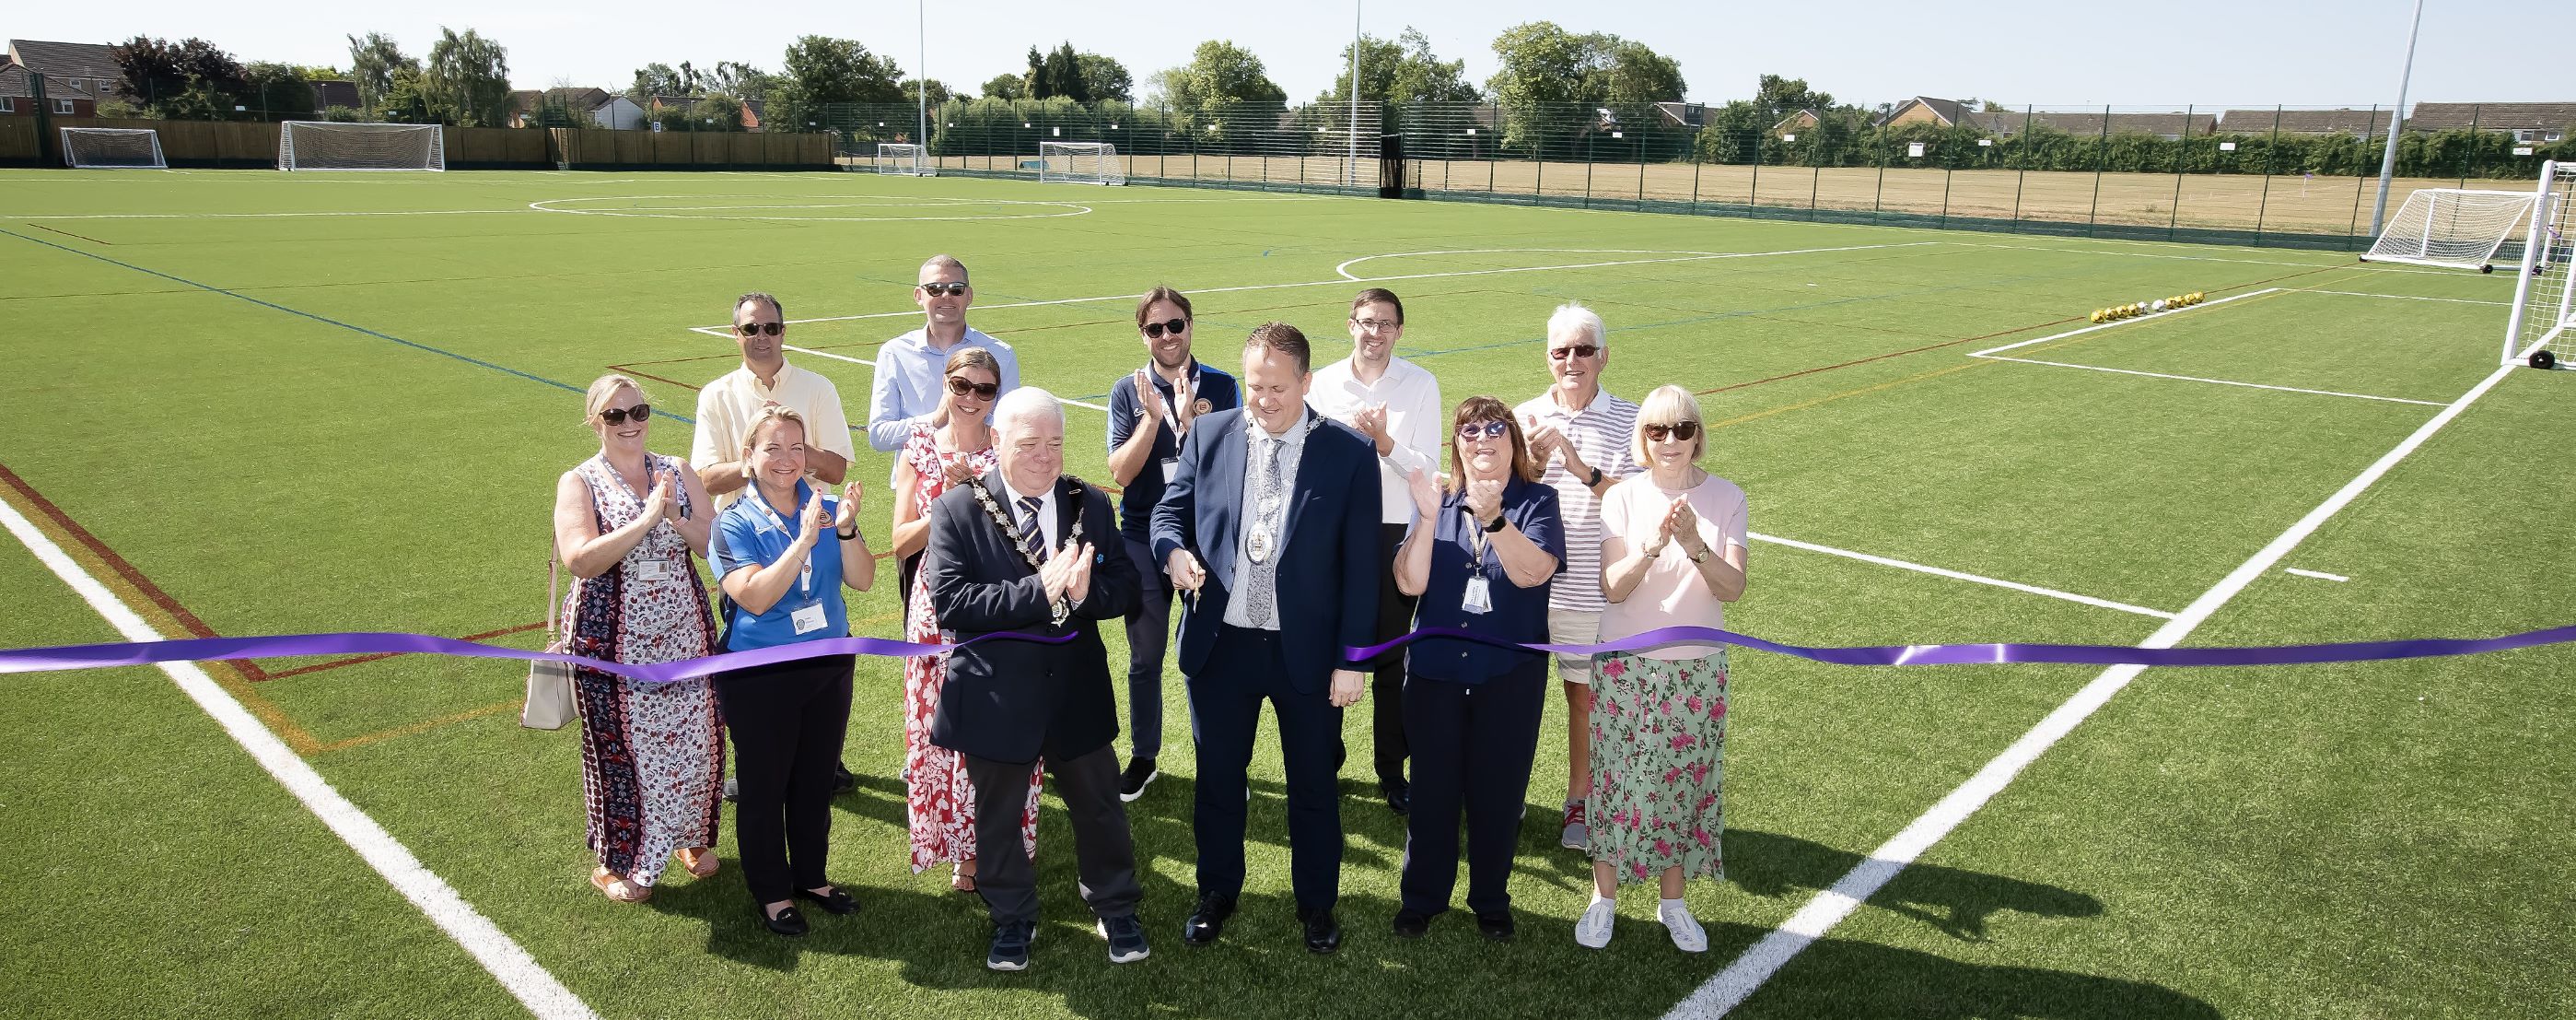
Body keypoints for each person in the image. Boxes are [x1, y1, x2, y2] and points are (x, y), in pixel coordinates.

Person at [1151, 322, 1381, 955]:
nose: (1264, 399)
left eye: (1278, 387)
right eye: (1255, 386)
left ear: (1306, 382)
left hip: (1303, 652)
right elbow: (1170, 510)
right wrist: (1172, 551)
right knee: (1218, 777)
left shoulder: (1348, 453)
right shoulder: (1209, 431)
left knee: (1312, 784)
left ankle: (1315, 903)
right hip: (1220, 645)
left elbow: (1363, 568)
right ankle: (1216, 892)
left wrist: (1350, 660)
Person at [926, 387, 1148, 971]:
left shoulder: (1091, 502)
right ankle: (1011, 919)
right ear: (995, 442)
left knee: (1099, 807)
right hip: (997, 692)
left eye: (1055, 443)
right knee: (998, 817)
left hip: (1075, 688)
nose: (1045, 458)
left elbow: (1126, 587)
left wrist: (1087, 592)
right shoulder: (957, 509)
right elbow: (951, 602)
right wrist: (1040, 590)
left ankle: (1116, 905)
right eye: (1029, 445)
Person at [1575, 385, 1748, 953]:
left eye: (1681, 429)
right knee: (1615, 779)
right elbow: (1614, 588)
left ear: (1698, 436)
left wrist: (1696, 544)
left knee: (1681, 783)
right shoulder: (1621, 497)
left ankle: (1672, 903)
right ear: (1643, 439)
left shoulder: (1726, 498)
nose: (1670, 441)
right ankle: (1604, 898)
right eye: (1657, 430)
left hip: (1696, 669)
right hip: (1626, 664)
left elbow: (1734, 588)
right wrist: (1653, 544)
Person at [1388, 397, 1563, 942]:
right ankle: (1422, 897)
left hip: (1507, 676)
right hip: (1436, 675)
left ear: (1513, 442)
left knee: (1498, 791)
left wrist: (1494, 519)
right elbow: (1408, 582)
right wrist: (1424, 517)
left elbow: (1534, 572)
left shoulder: (1538, 501)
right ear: (1457, 446)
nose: (1481, 439)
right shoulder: (1438, 500)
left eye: (1494, 430)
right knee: (1433, 790)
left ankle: (1490, 898)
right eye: (1469, 431)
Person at [552, 374, 723, 904]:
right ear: (595, 422)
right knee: (625, 749)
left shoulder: (677, 470)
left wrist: (673, 513)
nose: (631, 424)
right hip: (610, 634)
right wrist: (647, 519)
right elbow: (580, 558)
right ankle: (620, 858)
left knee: (698, 737)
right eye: (615, 416)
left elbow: (710, 541)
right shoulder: (579, 481)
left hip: (683, 626)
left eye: (639, 411)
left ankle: (690, 837)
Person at [708, 406, 878, 937]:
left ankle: (811, 875)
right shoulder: (732, 522)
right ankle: (771, 889)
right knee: (765, 785)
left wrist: (845, 532)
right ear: (749, 459)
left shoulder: (824, 507)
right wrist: (802, 542)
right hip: (761, 674)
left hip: (827, 663)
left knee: (814, 778)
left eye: (796, 447)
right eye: (772, 448)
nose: (786, 459)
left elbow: (865, 579)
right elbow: (755, 597)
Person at [691, 292, 859, 798]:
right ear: (735, 334)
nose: (760, 337)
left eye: (770, 327)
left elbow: (836, 469)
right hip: (748, 547)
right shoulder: (717, 396)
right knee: (757, 658)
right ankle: (760, 764)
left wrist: (787, 446)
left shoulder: (817, 387)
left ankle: (821, 759)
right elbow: (704, 478)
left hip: (813, 537)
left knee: (818, 654)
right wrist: (758, 459)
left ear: (784, 331)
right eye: (749, 329)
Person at [891, 347, 1036, 894]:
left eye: (985, 389)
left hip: (996, 606)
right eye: (962, 385)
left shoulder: (1008, 452)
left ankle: (992, 842)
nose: (972, 398)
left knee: (994, 724)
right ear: (946, 386)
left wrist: (976, 493)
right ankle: (954, 846)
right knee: (940, 729)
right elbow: (900, 541)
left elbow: (1025, 540)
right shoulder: (920, 448)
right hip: (935, 608)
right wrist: (948, 501)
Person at [1308, 287, 1442, 816]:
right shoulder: (1323, 384)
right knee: (1331, 647)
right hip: (1335, 531)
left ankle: (1392, 767)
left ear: (1399, 332)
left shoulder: (1420, 384)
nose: (1375, 332)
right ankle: (1326, 758)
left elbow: (1428, 467)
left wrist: (1385, 444)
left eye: (1386, 324)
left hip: (1393, 531)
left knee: (1391, 656)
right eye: (1366, 322)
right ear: (1350, 325)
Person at [1103, 286, 1241, 802]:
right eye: (1155, 328)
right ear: (1143, 334)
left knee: (1209, 654)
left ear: (1190, 325)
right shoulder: (1128, 391)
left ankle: (1219, 759)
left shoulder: (1224, 387)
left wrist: (1190, 423)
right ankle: (1145, 755)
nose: (1167, 336)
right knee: (1145, 656)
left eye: (1175, 325)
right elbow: (1120, 470)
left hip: (1206, 539)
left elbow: (1233, 467)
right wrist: (1155, 420)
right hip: (1141, 536)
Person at [1514, 303, 1640, 851]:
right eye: (1561, 351)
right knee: (1510, 695)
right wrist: (1536, 468)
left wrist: (1575, 462)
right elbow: (1508, 498)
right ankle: (1505, 792)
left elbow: (1638, 504)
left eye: (1583, 350)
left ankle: (1580, 801)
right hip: (1521, 586)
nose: (1571, 360)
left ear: (1604, 357)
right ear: (1547, 358)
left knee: (1582, 698)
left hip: (1588, 590)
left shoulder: (1633, 421)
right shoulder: (1521, 417)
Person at [868, 254, 1022, 601]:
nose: (945, 296)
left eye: (955, 289)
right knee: (924, 607)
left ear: (970, 296)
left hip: (989, 500)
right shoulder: (894, 353)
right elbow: (878, 434)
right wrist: (934, 421)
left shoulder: (1000, 353)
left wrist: (975, 477)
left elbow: (1010, 428)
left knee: (989, 607)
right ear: (918, 295)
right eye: (935, 288)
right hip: (918, 502)